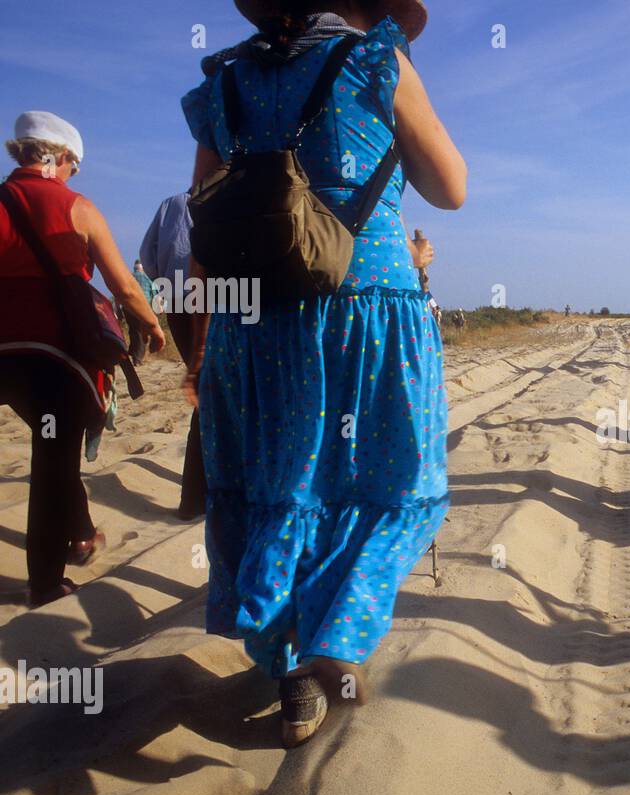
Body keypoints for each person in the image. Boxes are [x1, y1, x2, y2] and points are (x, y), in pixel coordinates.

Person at [181, 0, 466, 746]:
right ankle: (337, 633)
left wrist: (202, 342)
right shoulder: (378, 60)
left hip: (255, 316)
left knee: (278, 483)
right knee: (394, 479)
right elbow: (451, 187)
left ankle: (288, 669)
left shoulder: (226, 80)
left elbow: (202, 222)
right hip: (367, 301)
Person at [0, 111, 165, 606]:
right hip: (53, 354)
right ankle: (46, 584)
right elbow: (125, 286)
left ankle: (81, 529)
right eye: (74, 165)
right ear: (62, 158)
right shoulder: (77, 207)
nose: (73, 174)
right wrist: (151, 326)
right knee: (53, 458)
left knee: (48, 437)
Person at [140, 190, 208, 520]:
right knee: (213, 394)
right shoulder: (230, 193)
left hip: (179, 302)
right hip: (224, 299)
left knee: (207, 392)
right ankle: (195, 498)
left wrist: (167, 282)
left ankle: (196, 497)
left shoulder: (171, 204)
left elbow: (147, 255)